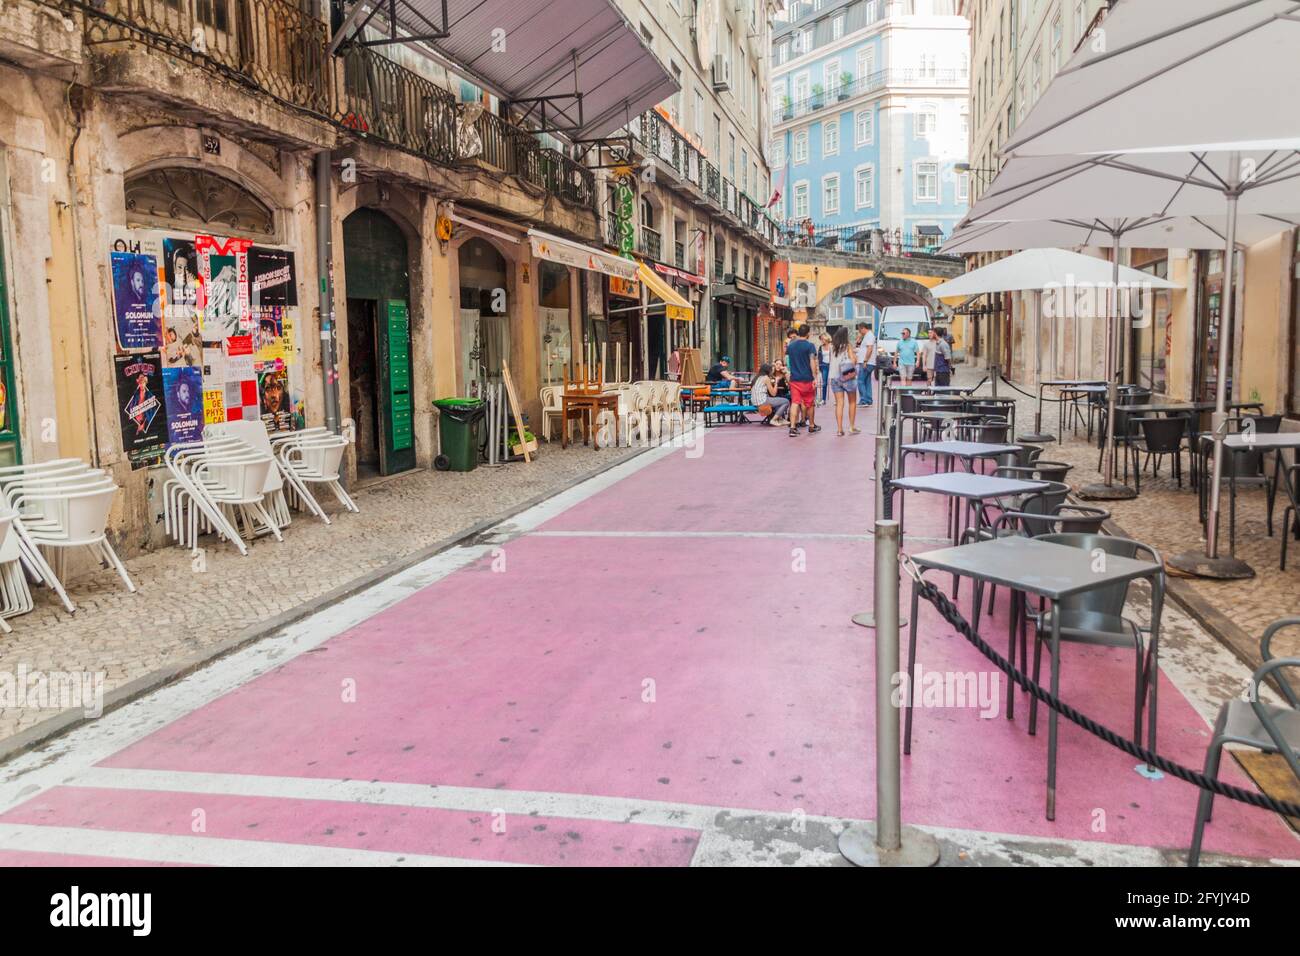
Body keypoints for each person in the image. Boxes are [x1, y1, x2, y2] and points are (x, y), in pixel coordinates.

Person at [785, 324, 821, 436]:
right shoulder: (810, 346)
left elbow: (786, 359)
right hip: (807, 379)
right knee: (810, 403)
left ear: (799, 333)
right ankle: (811, 425)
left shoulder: (790, 346)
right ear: (808, 334)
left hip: (794, 379)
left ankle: (792, 427)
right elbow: (812, 361)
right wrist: (815, 377)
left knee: (795, 402)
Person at [828, 326, 860, 436]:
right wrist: (855, 356)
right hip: (847, 376)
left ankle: (839, 429)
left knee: (839, 404)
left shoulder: (832, 347)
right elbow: (853, 361)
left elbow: (830, 361)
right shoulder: (847, 346)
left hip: (834, 377)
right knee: (852, 402)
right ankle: (851, 427)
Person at [854, 321, 875, 406]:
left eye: (859, 330)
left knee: (860, 381)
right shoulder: (867, 336)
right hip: (867, 362)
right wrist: (858, 340)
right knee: (867, 381)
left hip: (866, 362)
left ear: (863, 328)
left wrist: (865, 360)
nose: (859, 332)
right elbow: (862, 348)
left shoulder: (869, 336)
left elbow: (870, 349)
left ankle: (864, 400)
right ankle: (868, 399)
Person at [817, 332, 832, 406]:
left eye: (823, 339)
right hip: (823, 365)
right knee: (824, 383)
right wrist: (819, 366)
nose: (822, 340)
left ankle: (837, 398)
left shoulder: (832, 346)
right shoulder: (820, 347)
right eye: (821, 339)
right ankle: (823, 399)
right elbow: (818, 357)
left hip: (832, 365)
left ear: (826, 338)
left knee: (835, 382)